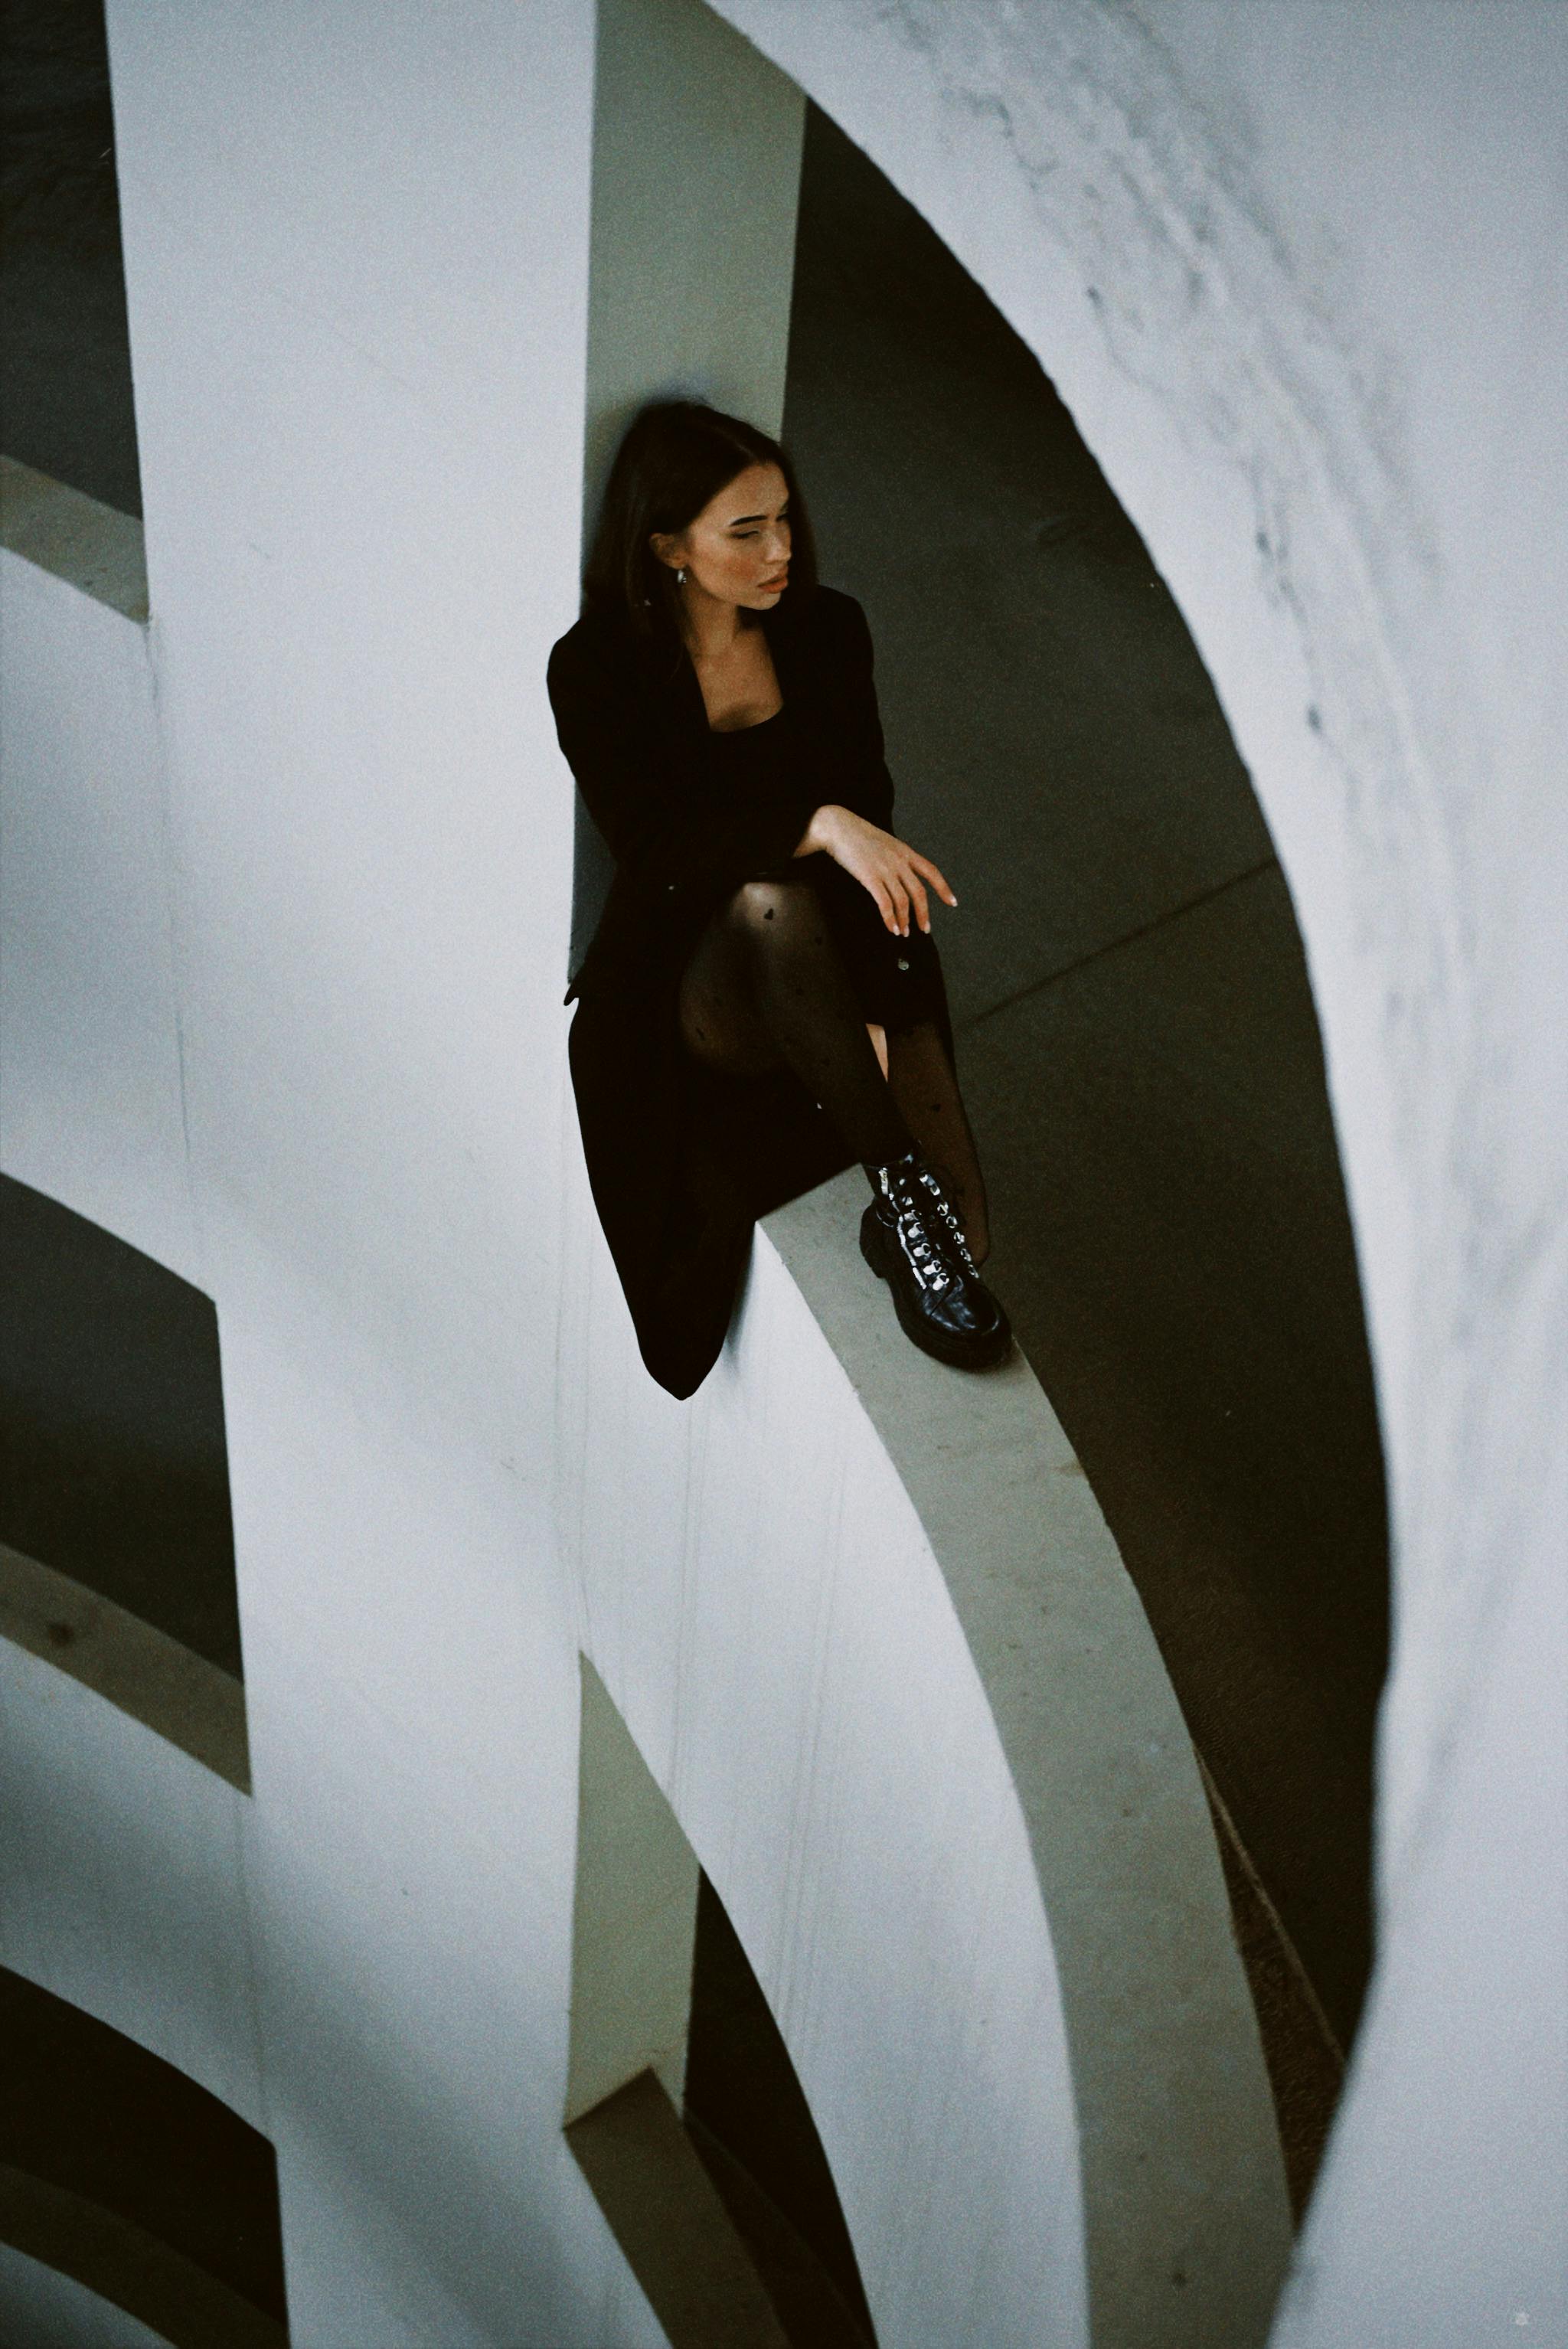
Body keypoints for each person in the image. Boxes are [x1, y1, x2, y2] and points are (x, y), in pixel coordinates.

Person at [548, 399, 1012, 1400]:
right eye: (746, 530)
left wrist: (876, 1005)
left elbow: (872, 821)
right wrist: (818, 822)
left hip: (829, 951)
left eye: (786, 520)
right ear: (668, 544)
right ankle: (898, 1193)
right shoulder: (596, 670)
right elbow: (657, 850)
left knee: (971, 1231)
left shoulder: (829, 631)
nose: (780, 550)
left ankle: (914, 1207)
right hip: (689, 985)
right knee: (768, 900)